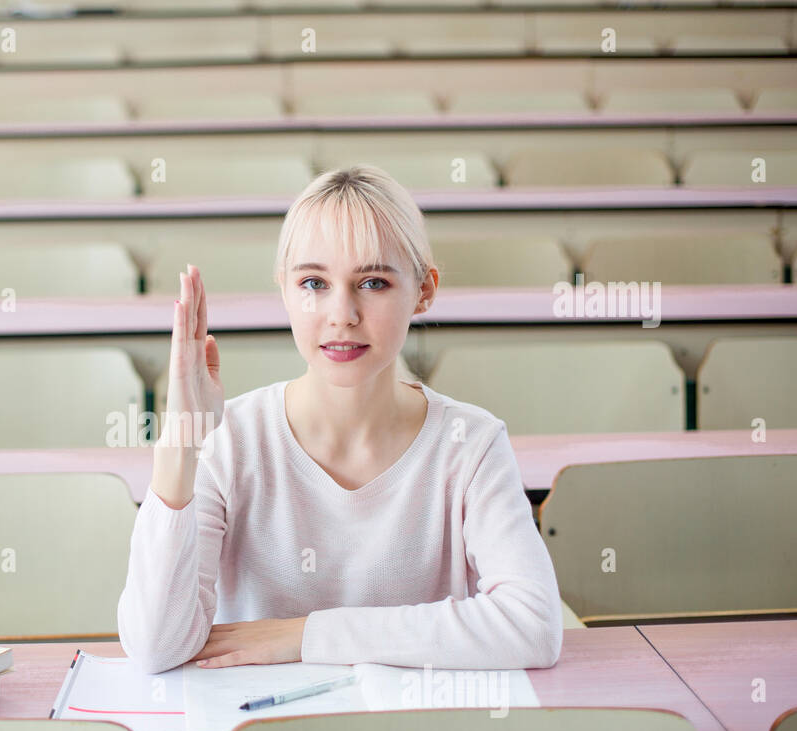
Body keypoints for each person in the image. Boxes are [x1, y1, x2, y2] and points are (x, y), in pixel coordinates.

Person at [116, 165, 564, 675]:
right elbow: (156, 648)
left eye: (373, 282)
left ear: (424, 290)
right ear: (284, 290)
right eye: (314, 283)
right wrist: (180, 445)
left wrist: (306, 635)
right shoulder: (226, 441)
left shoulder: (472, 444)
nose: (342, 314)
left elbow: (533, 625)